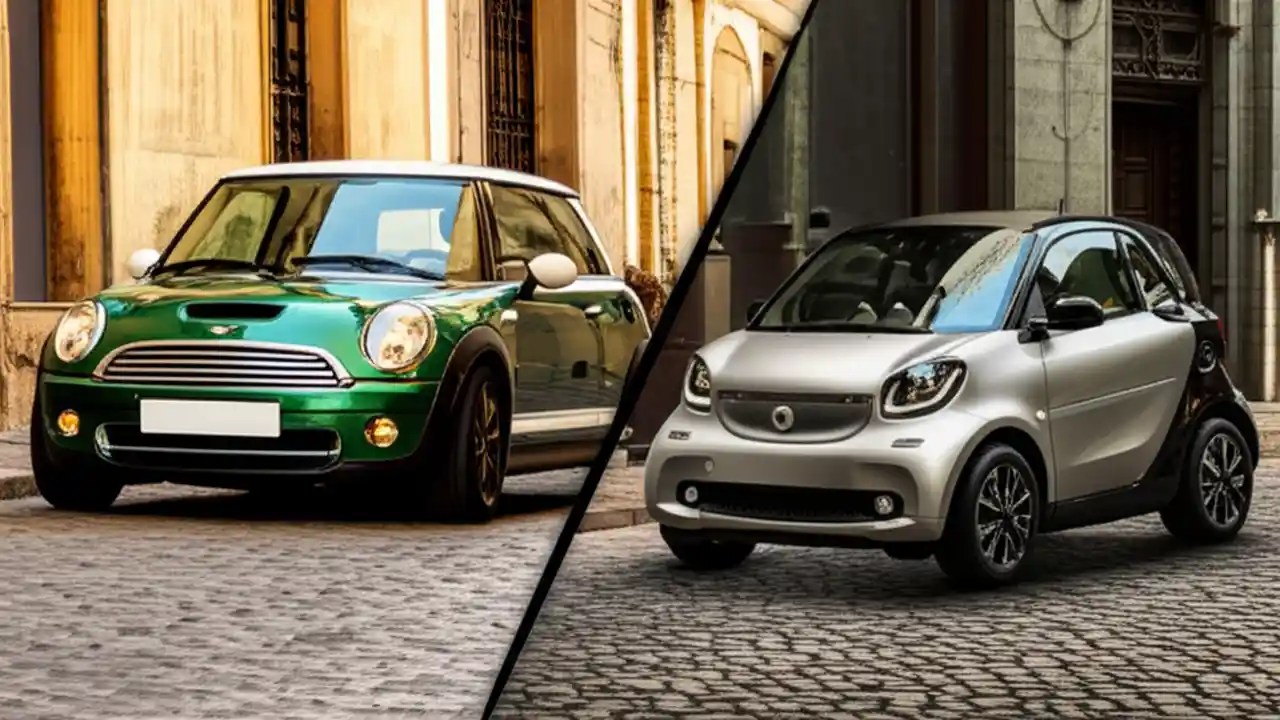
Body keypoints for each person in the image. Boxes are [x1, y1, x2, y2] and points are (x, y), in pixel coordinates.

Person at [624, 263, 667, 329]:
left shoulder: (646, 277)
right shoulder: (633, 288)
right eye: (629, 277)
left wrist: (659, 305)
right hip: (646, 314)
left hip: (653, 309)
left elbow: (659, 291)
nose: (632, 279)